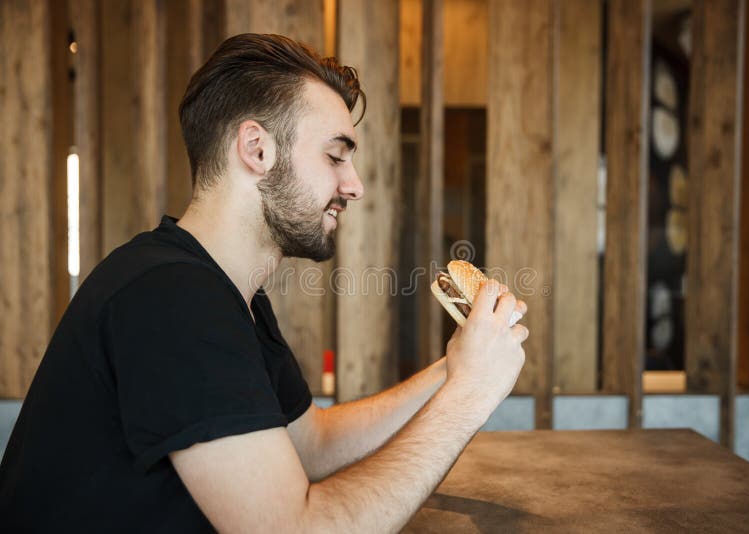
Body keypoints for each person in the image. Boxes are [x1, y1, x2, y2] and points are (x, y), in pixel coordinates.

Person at [0, 33, 528, 532]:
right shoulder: (171, 299)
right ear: (256, 149)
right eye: (335, 155)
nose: (355, 185)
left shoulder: (228, 295)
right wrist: (469, 395)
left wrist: (455, 366)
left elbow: (311, 446)